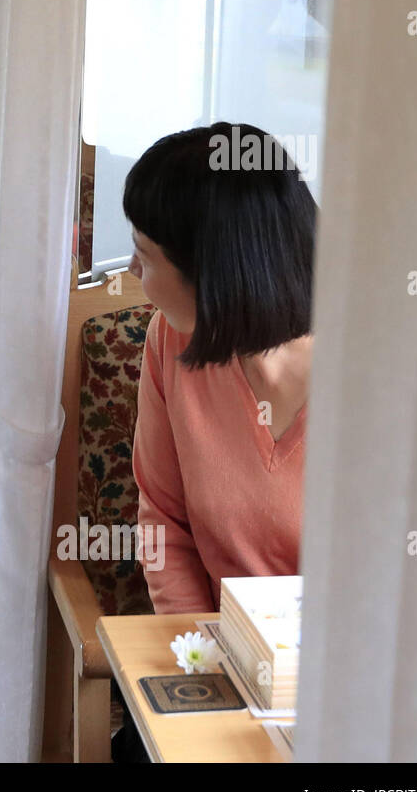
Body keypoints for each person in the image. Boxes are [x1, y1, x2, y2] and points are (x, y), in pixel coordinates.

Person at [125, 122, 317, 615]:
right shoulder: (168, 342)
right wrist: (196, 658)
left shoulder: (392, 375)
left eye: (144, 256)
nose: (130, 271)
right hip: (224, 659)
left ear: (214, 278)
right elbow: (163, 522)